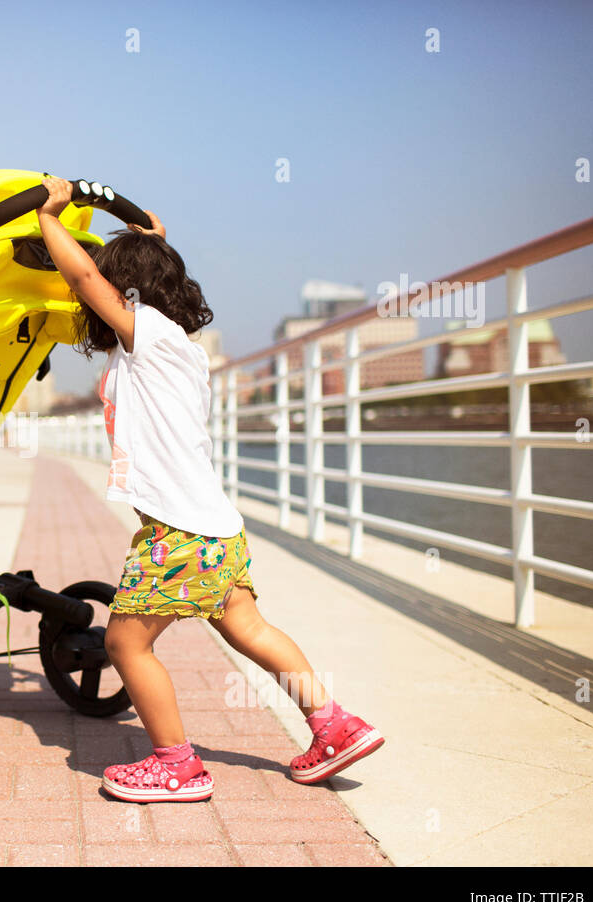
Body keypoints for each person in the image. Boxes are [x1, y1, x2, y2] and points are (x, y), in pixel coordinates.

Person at [35, 176, 384, 803]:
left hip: (178, 531)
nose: (100, 293)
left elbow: (87, 281)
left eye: (116, 286)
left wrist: (51, 217)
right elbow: (128, 276)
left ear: (128, 292)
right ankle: (334, 726)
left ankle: (177, 765)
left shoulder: (149, 335)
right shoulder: (177, 345)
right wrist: (152, 237)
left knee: (124, 641)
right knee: (248, 626)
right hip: (217, 527)